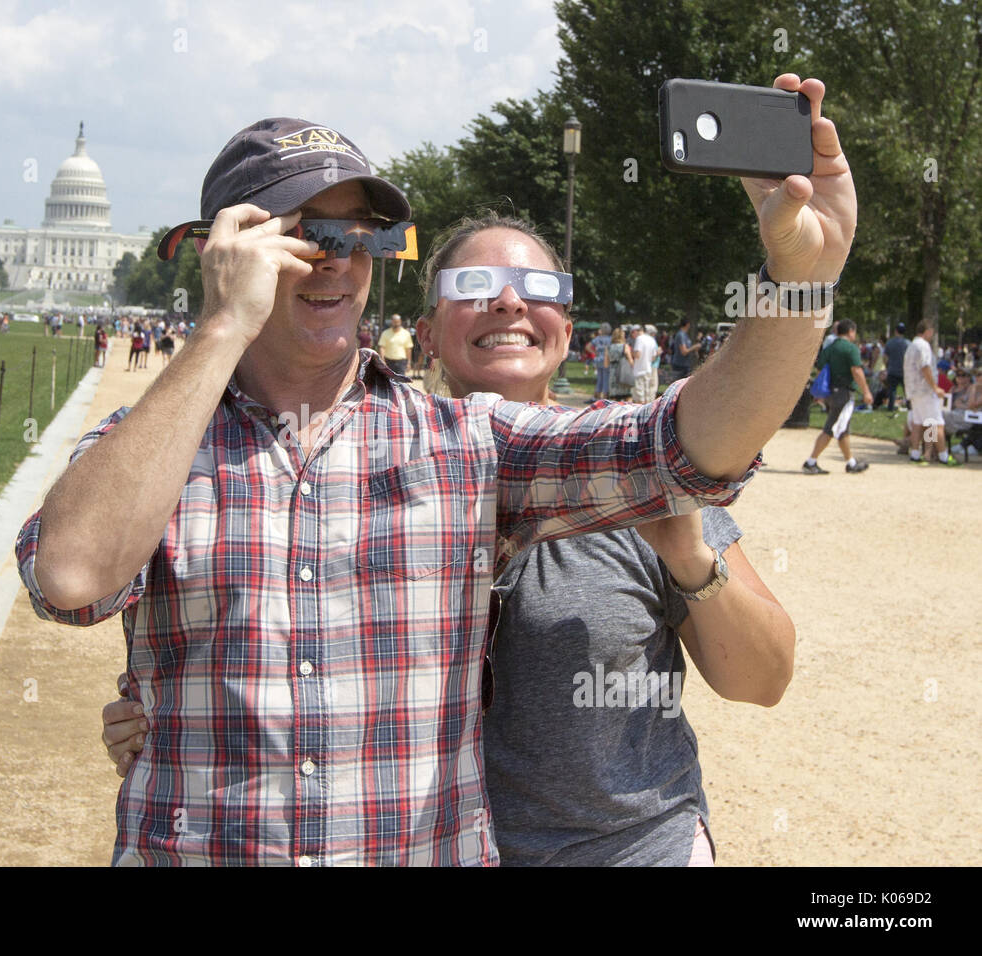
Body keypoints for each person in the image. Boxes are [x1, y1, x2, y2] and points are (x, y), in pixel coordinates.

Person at [21, 82, 854, 866]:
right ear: (228, 248)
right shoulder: (156, 445)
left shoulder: (469, 443)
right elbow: (71, 579)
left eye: (365, 237)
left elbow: (685, 444)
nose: (339, 259)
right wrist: (219, 331)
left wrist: (801, 282)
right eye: (310, 233)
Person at [103, 213, 797, 866]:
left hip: (626, 849)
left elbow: (761, 678)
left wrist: (687, 556)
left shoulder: (631, 465)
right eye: (473, 287)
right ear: (427, 334)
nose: (508, 303)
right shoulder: (364, 465)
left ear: (567, 327)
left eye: (539, 289)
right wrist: (170, 717)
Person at [802, 318, 873, 474]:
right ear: (851, 331)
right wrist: (866, 391)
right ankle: (811, 461)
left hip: (830, 393)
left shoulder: (829, 348)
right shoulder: (851, 349)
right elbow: (857, 371)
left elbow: (820, 371)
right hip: (844, 394)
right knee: (832, 428)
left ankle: (851, 462)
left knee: (842, 429)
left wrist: (821, 393)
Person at [903, 320, 957, 466]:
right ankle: (943, 455)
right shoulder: (924, 346)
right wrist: (935, 387)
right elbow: (925, 367)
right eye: (932, 331)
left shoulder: (911, 346)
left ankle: (915, 454)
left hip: (913, 390)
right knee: (935, 423)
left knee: (918, 423)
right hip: (925, 390)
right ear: (927, 331)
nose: (932, 334)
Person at [880, 322, 910, 412]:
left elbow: (885, 357)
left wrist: (887, 366)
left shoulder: (890, 342)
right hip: (904, 371)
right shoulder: (907, 343)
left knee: (892, 390)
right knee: (907, 390)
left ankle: (890, 407)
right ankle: (910, 406)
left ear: (895, 331)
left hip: (892, 370)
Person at [630, 324, 660, 404]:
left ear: (636, 331)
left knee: (640, 398)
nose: (632, 335)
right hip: (648, 370)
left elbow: (637, 355)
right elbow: (653, 357)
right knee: (647, 398)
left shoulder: (639, 339)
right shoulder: (651, 339)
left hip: (639, 371)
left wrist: (630, 352)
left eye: (632, 333)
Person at [377, 312, 412, 376]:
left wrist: (409, 363)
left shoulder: (406, 334)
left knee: (401, 383)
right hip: (388, 362)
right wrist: (382, 360)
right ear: (391, 322)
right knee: (388, 382)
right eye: (394, 322)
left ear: (400, 322)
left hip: (401, 362)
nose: (396, 324)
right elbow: (382, 347)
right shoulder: (385, 333)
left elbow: (408, 349)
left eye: (397, 322)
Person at [606, 327, 633, 401]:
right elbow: (630, 361)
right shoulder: (625, 346)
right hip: (623, 373)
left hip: (613, 373)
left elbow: (606, 364)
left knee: (614, 397)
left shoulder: (608, 347)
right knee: (627, 396)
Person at [589, 323, 613, 399]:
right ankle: (605, 397)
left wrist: (595, 353)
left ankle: (596, 396)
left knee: (599, 378)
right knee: (606, 379)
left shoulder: (597, 338)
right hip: (607, 361)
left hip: (598, 360)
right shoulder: (611, 339)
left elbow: (588, 347)